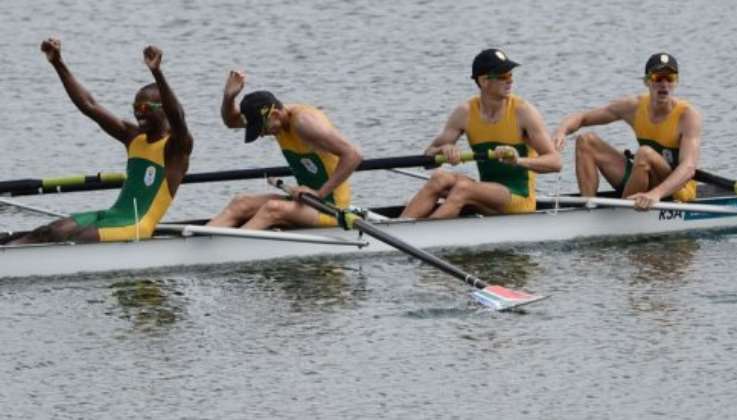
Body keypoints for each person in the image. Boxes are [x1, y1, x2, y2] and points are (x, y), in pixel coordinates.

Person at [11, 38, 193, 245]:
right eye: (134, 108)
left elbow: (177, 115)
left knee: (81, 238)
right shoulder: (132, 138)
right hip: (111, 215)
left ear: (162, 109)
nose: (137, 113)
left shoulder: (176, 148)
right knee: (50, 231)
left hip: (136, 225)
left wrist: (157, 72)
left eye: (144, 108)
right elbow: (89, 105)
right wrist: (57, 62)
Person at [400, 49, 561, 219]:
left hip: (519, 198)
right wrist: (444, 149)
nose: (510, 81)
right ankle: (397, 230)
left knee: (462, 188)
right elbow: (428, 159)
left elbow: (556, 162)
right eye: (503, 76)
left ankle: (420, 236)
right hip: (486, 193)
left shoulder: (523, 112)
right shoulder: (465, 112)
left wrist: (518, 160)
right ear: (484, 81)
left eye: (511, 75)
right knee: (439, 177)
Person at [207, 70, 362, 229]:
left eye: (262, 129)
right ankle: (199, 242)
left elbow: (353, 155)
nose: (262, 135)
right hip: (304, 200)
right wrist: (228, 97)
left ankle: (231, 249)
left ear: (274, 114)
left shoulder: (305, 123)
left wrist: (319, 194)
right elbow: (231, 122)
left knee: (272, 209)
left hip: (331, 208)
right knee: (240, 203)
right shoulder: (274, 117)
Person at [551, 52, 701, 209]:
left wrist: (655, 194)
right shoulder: (633, 107)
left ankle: (622, 215)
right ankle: (589, 209)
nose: (664, 84)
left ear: (676, 82)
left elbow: (688, 169)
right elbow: (583, 118)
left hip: (678, 190)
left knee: (644, 153)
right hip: (644, 177)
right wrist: (560, 131)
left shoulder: (688, 116)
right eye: (658, 78)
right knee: (586, 141)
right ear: (647, 81)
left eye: (669, 78)